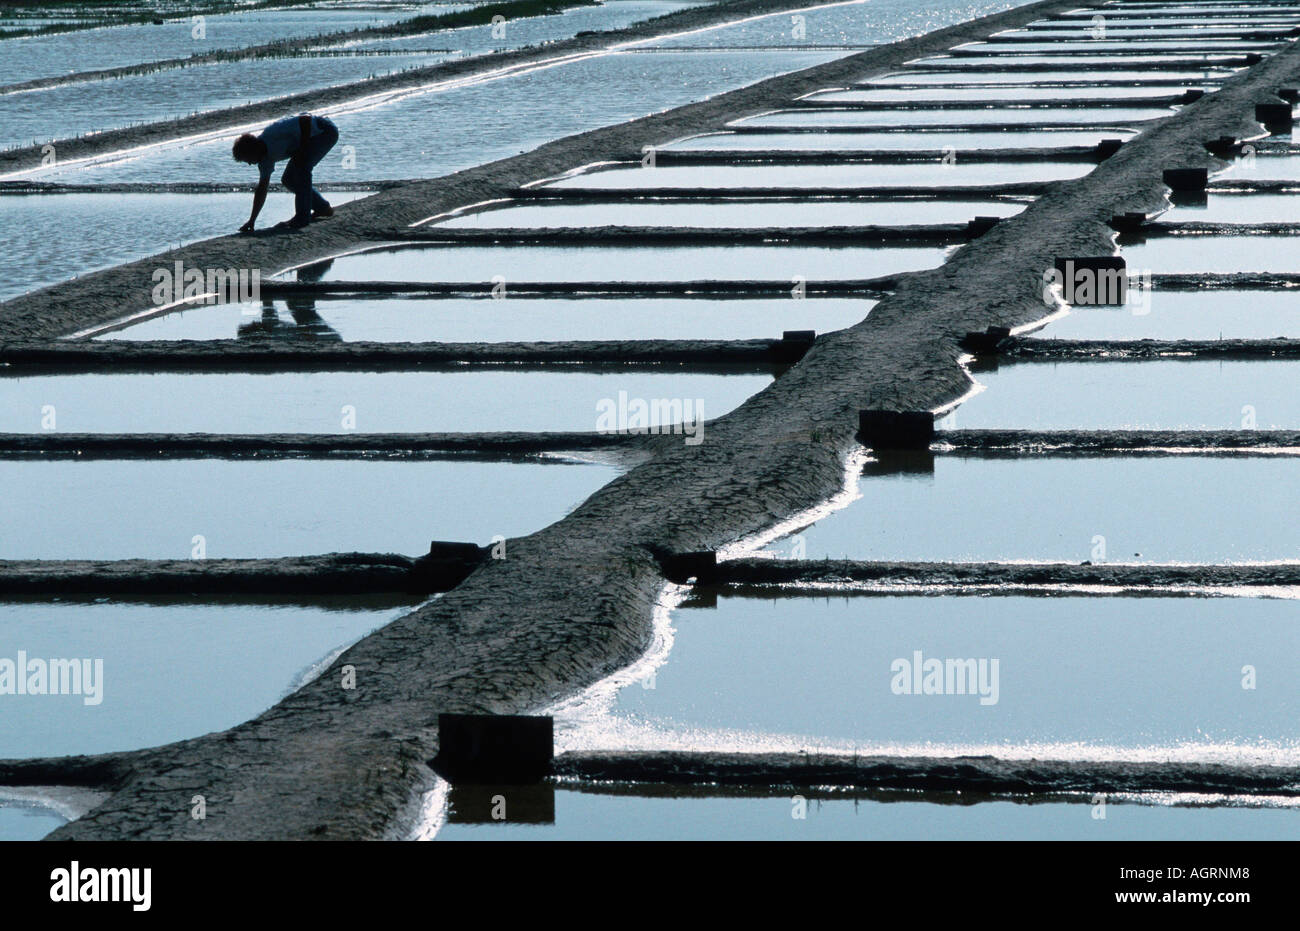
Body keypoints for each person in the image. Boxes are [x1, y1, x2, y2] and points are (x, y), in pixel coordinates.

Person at [232, 114, 339, 231]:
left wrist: (303, 148)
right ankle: (322, 208)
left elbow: (305, 119)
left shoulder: (273, 133)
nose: (249, 163)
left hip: (324, 130)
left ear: (252, 151)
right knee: (288, 179)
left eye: (247, 159)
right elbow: (262, 189)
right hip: (309, 140)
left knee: (302, 168)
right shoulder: (264, 161)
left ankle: (302, 218)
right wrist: (252, 221)